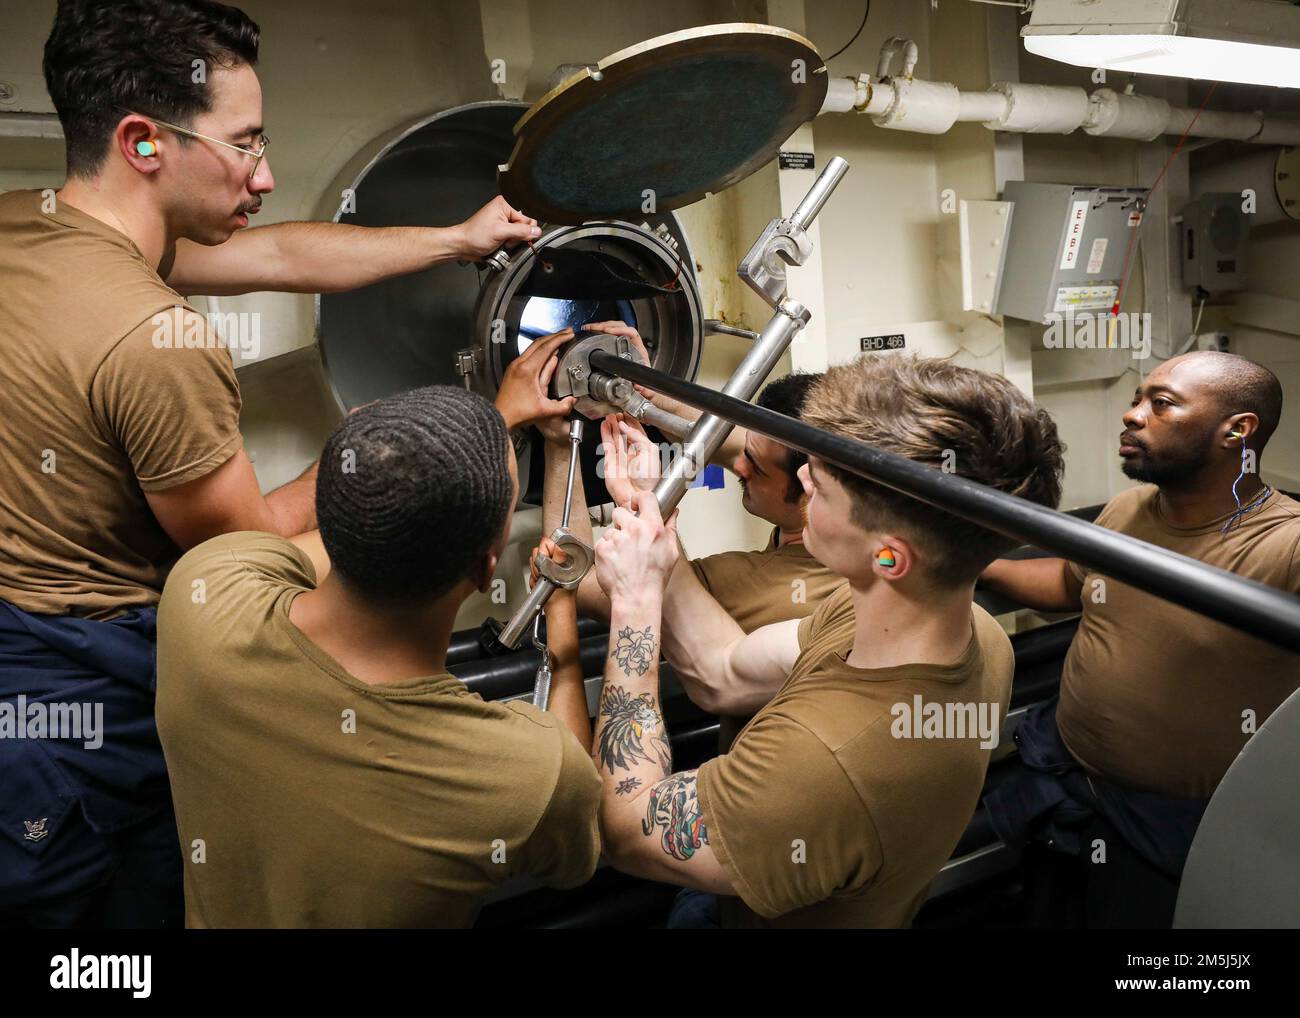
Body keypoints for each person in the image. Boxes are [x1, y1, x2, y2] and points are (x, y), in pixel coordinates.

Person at [0, 0, 569, 928]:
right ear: (143, 142)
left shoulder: (31, 226)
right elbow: (248, 564)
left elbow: (278, 253)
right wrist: (462, 430)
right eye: (244, 145)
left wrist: (454, 239)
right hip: (90, 698)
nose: (264, 174)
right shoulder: (155, 341)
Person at [576, 354, 1064, 927]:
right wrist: (649, 513)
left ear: (890, 557)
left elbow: (629, 828)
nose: (804, 479)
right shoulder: (963, 630)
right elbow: (721, 670)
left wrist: (635, 603)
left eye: (823, 487)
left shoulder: (822, 765)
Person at [154, 386, 601, 928]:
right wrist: (561, 615)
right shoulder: (527, 777)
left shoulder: (202, 593)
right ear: (488, 569)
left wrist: (419, 447)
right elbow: (577, 836)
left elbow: (357, 528)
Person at [979, 350, 1300, 928]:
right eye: (1136, 399)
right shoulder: (1130, 508)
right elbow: (1069, 583)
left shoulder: (1287, 545)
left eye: (1162, 403)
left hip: (1176, 826)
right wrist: (972, 561)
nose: (1132, 414)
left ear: (1237, 431)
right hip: (1070, 784)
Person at [562, 322, 844, 747]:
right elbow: (740, 445)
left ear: (808, 492)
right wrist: (648, 386)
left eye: (754, 467)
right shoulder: (850, 511)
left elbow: (577, 580)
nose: (736, 466)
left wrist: (560, 446)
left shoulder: (752, 587)